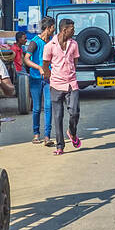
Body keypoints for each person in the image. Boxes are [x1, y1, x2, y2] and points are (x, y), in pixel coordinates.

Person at [43, 18, 81, 155]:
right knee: (58, 117)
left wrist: (70, 73)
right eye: (72, 28)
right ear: (64, 30)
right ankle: (60, 146)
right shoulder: (50, 46)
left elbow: (75, 62)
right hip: (56, 85)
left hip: (72, 83)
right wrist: (50, 79)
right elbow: (45, 65)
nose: (74, 31)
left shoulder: (74, 44)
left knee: (74, 112)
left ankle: (72, 132)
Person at [24, 17, 55, 145]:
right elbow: (26, 59)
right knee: (36, 108)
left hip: (49, 79)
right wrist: (39, 67)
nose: (54, 30)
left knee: (49, 106)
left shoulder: (52, 42)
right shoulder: (35, 42)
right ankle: (36, 134)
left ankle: (47, 136)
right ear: (48, 28)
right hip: (36, 79)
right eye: (53, 28)